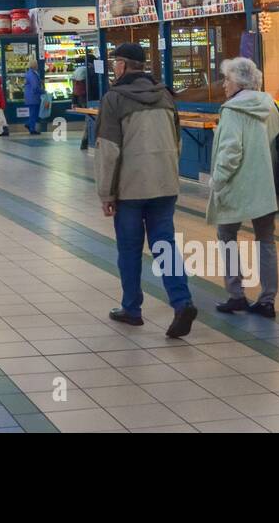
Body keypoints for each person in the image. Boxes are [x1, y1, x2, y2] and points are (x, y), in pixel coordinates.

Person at [95, 43, 197, 339]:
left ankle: (132, 308)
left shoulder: (114, 99)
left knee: (129, 249)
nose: (114, 68)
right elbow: (177, 142)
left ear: (124, 66)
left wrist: (106, 194)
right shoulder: (165, 95)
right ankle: (182, 302)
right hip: (164, 185)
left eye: (116, 63)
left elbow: (109, 150)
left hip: (130, 190)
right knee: (164, 244)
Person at [207, 57, 279, 318]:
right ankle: (267, 299)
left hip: (238, 184)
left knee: (226, 235)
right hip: (267, 185)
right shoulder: (272, 105)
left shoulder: (232, 110)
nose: (224, 85)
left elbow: (230, 151)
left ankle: (236, 294)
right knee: (266, 239)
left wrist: (217, 180)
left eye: (226, 79)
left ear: (238, 81)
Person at [24, 59, 44, 135]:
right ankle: (31, 128)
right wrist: (43, 91)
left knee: (33, 112)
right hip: (33, 96)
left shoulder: (31, 73)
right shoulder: (32, 74)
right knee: (34, 113)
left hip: (30, 96)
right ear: (34, 65)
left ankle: (29, 124)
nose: (38, 65)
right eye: (36, 64)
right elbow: (35, 87)